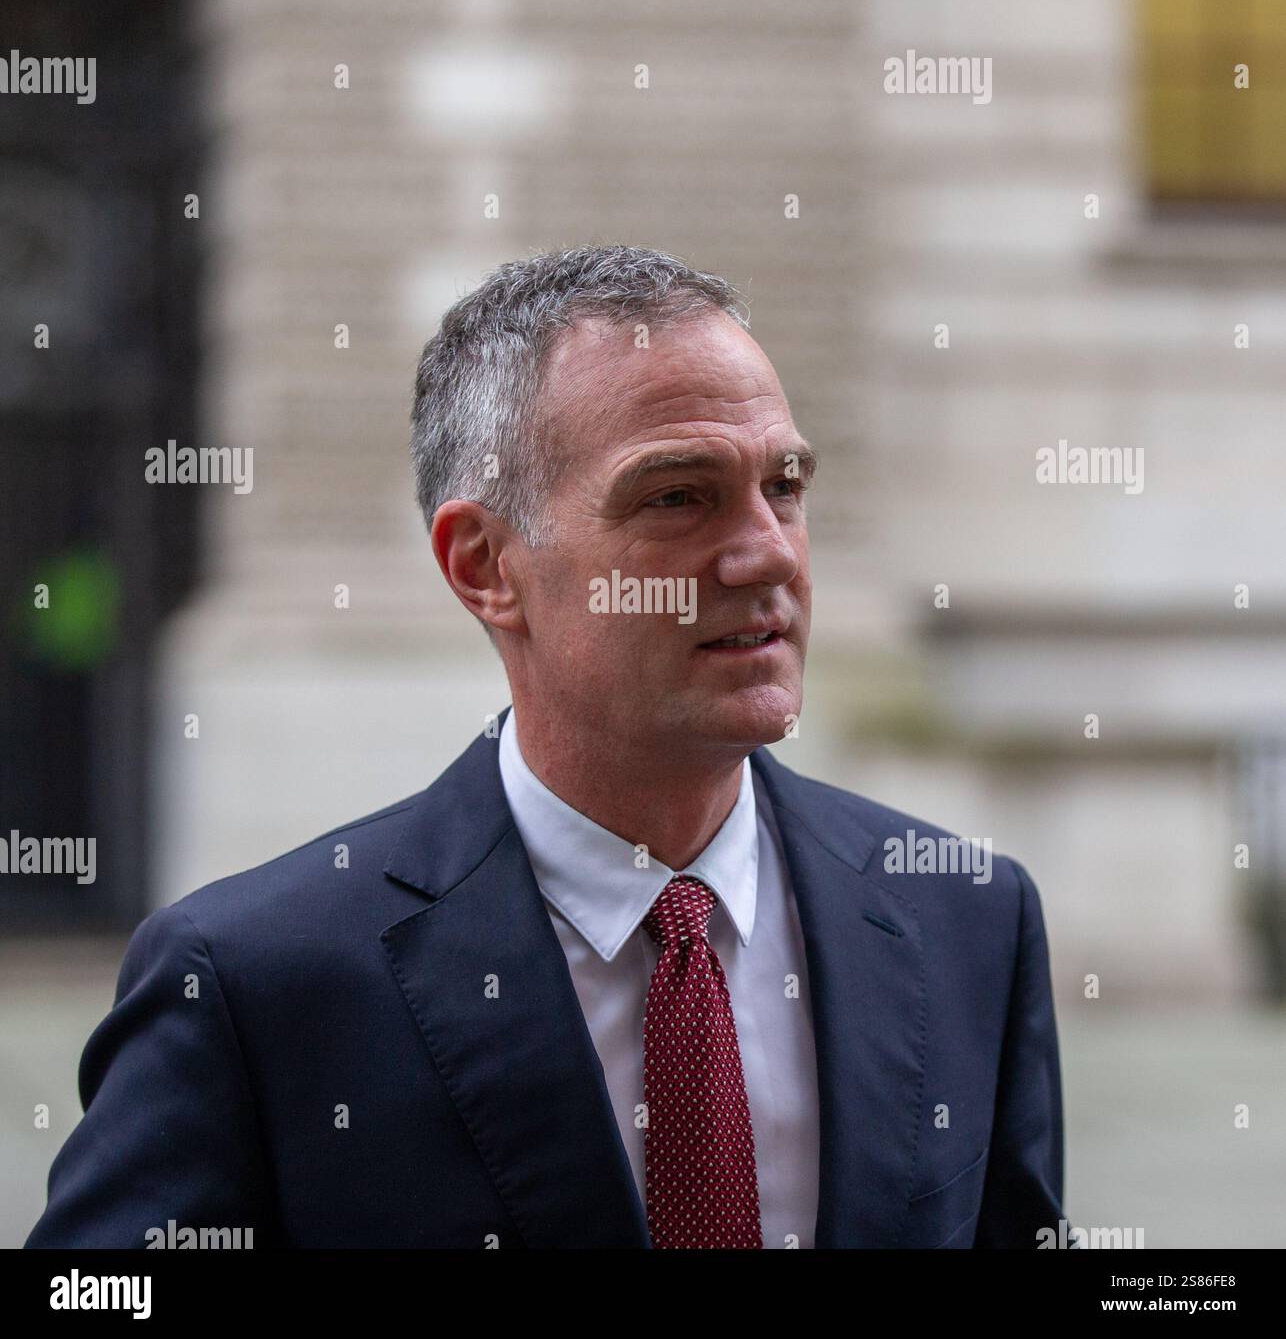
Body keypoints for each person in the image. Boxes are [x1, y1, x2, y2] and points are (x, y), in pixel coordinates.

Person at [27, 244, 1065, 1249]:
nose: (764, 553)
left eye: (783, 487)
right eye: (675, 496)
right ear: (484, 564)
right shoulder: (254, 982)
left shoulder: (967, 918)